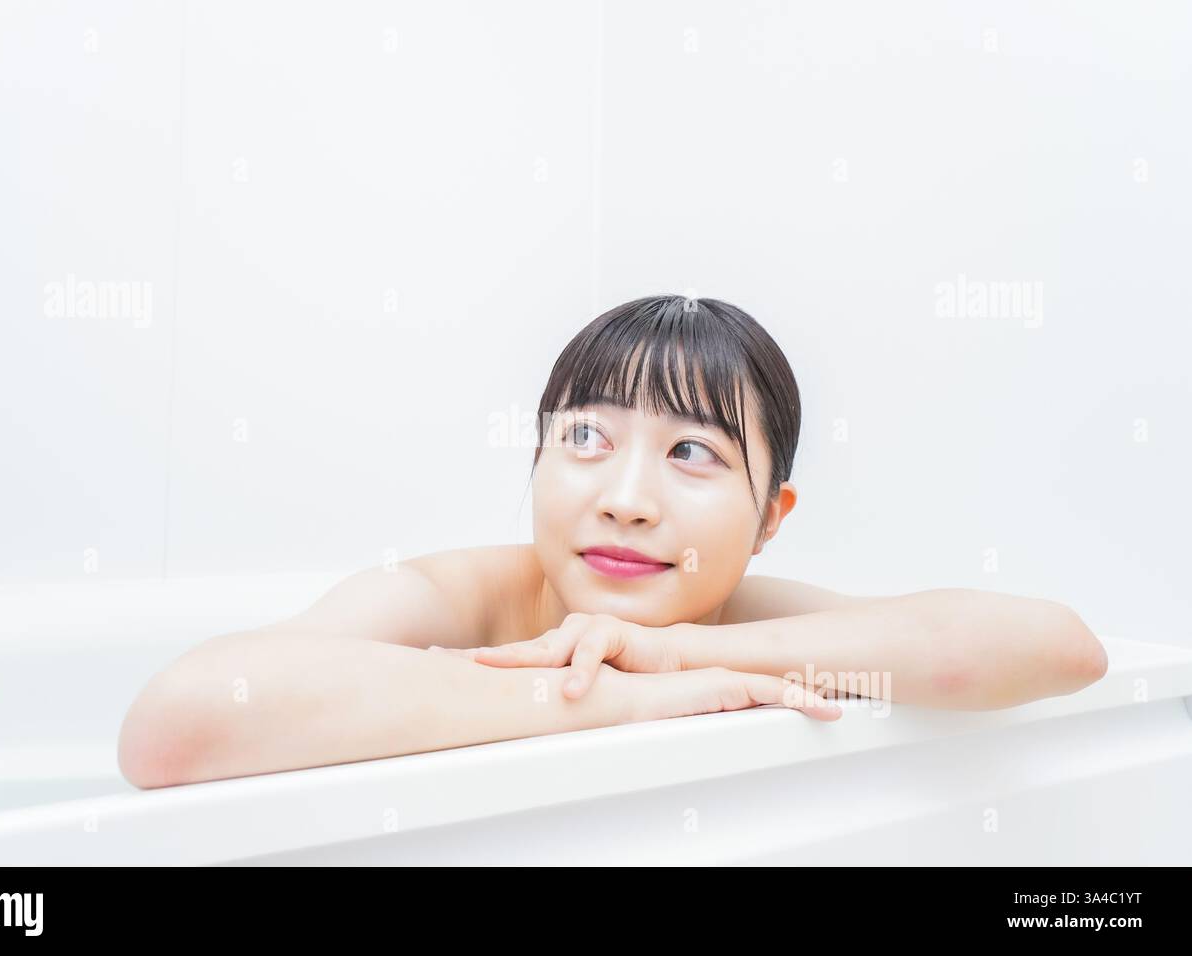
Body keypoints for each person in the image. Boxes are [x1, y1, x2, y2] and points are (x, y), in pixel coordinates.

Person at [117, 294, 1107, 789]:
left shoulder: (731, 620)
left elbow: (1062, 649)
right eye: (585, 438)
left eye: (690, 451)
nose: (625, 498)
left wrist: (682, 648)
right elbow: (179, 724)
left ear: (770, 519)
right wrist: (618, 697)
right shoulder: (447, 595)